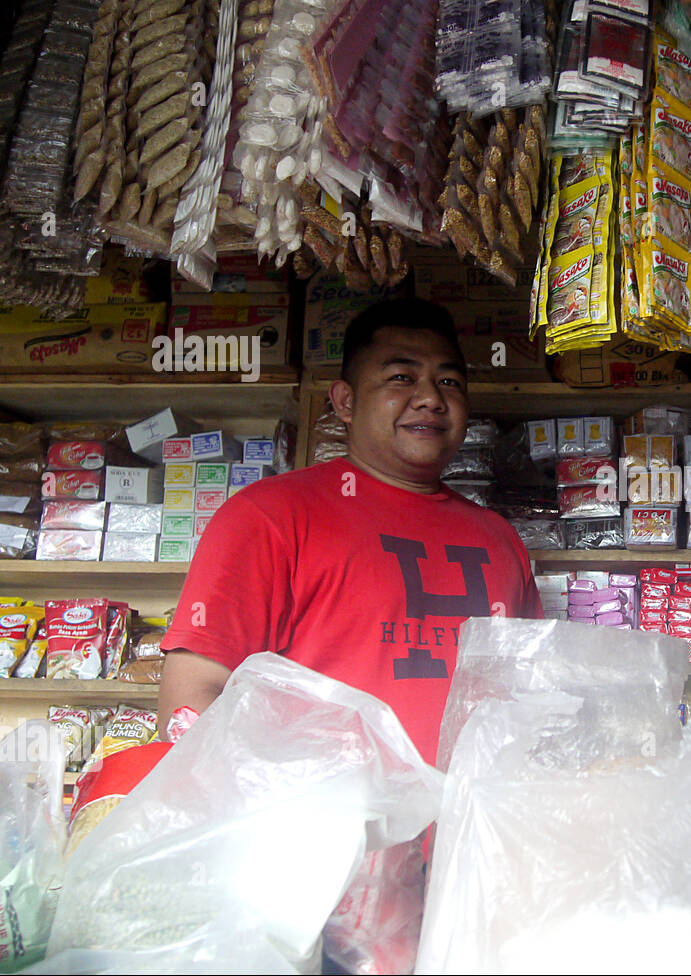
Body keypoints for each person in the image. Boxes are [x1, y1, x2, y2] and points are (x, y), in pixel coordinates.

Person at [159, 298, 543, 765]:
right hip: (324, 831)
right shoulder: (268, 516)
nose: (430, 398)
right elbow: (194, 693)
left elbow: (527, 692)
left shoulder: (499, 539)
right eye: (401, 378)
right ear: (345, 401)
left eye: (449, 381)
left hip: (476, 829)